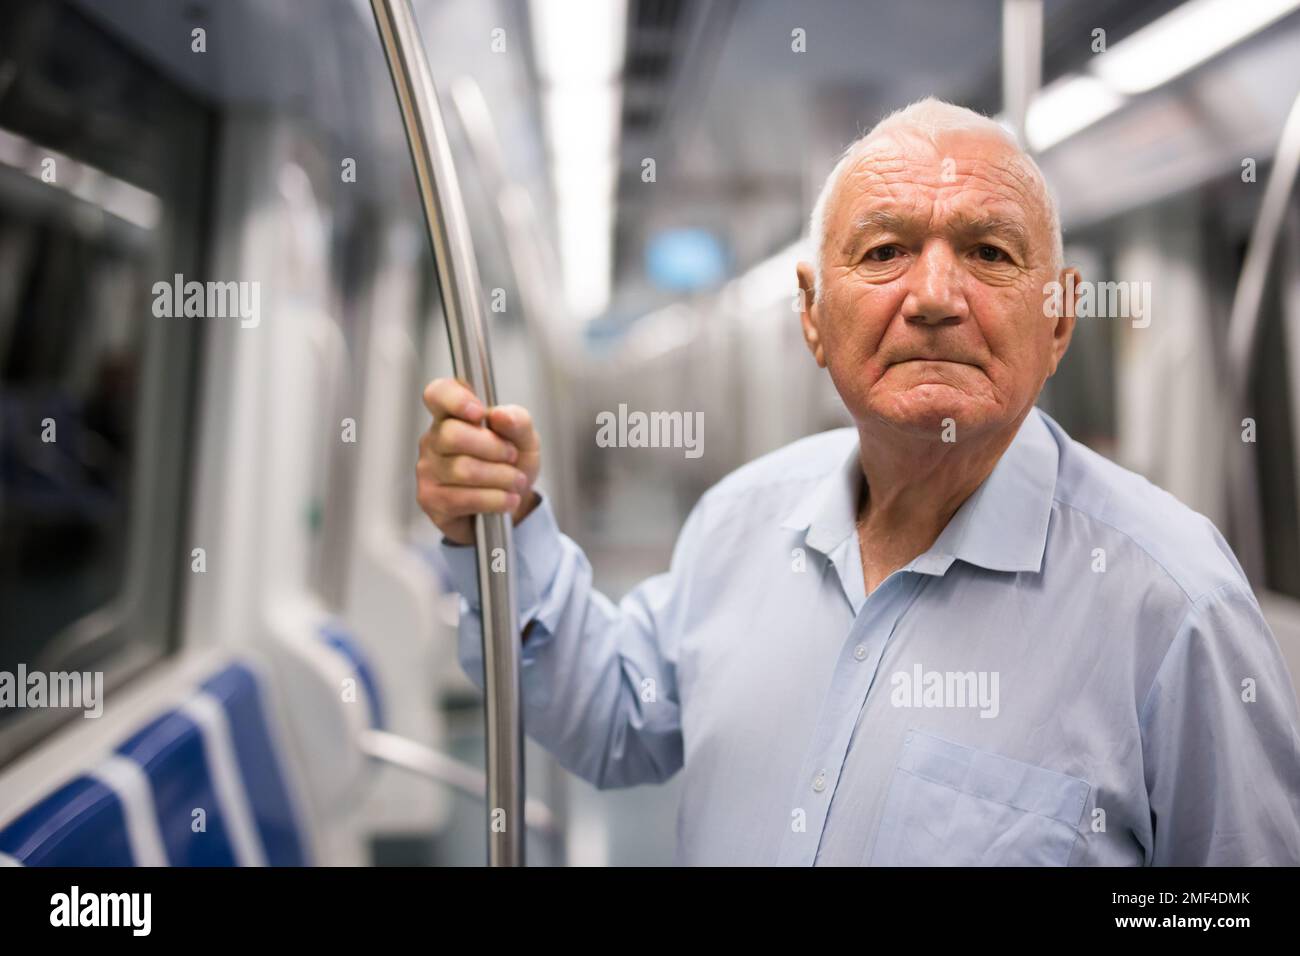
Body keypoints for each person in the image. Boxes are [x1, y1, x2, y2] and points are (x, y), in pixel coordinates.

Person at [416, 98, 1300, 865]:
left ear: (1061, 313)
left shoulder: (1175, 605)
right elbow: (612, 718)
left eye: (990, 253)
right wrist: (496, 525)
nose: (934, 297)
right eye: (885, 252)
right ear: (811, 314)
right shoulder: (741, 522)